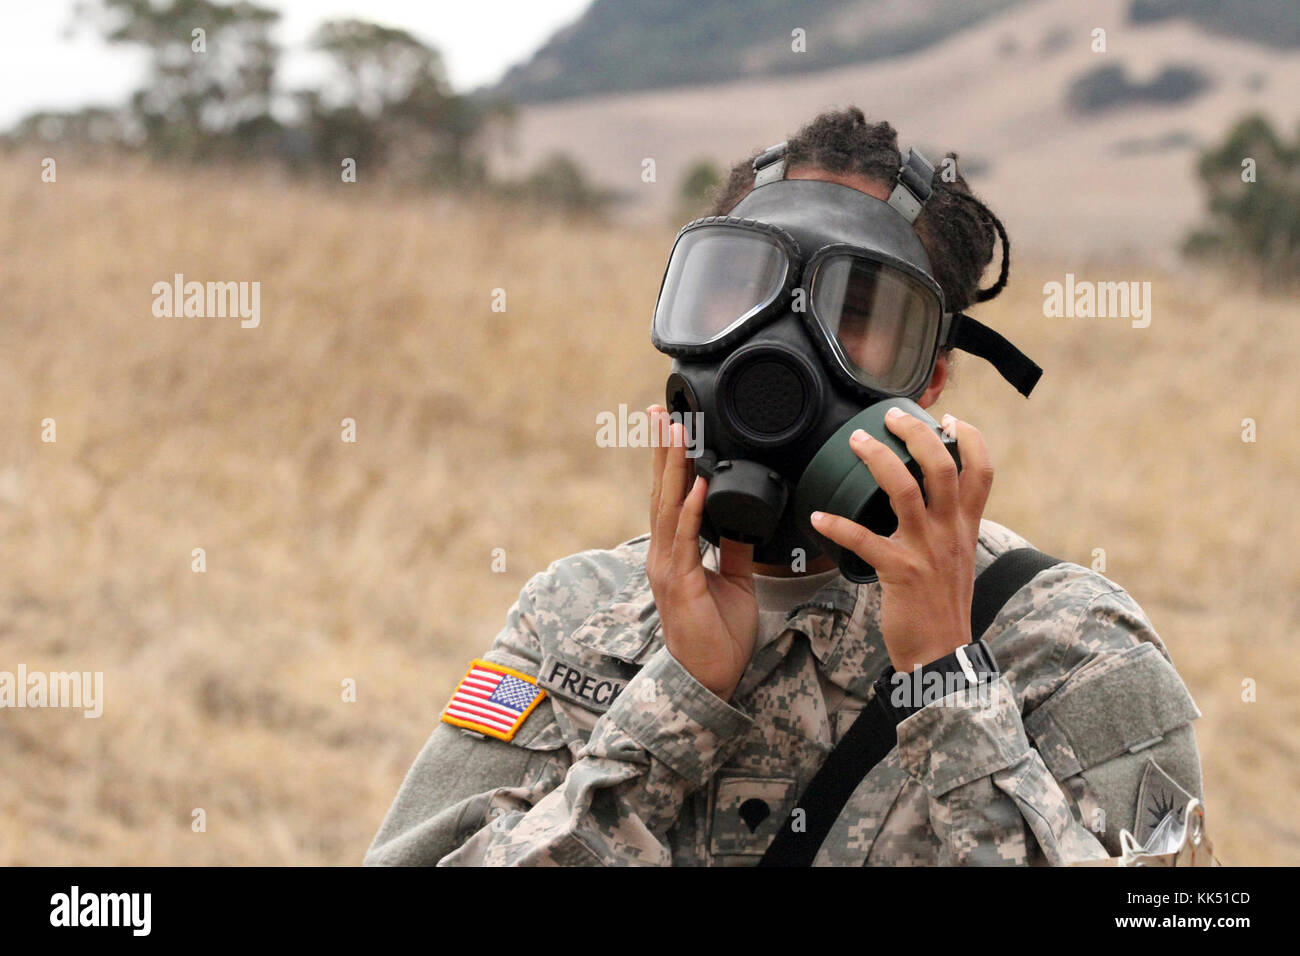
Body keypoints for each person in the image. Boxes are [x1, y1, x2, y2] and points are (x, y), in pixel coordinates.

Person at [364, 107, 1204, 866]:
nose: (775, 351)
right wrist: (677, 704)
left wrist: (947, 682)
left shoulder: (1071, 647)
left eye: (857, 316)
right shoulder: (577, 620)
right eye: (737, 290)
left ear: (930, 381)